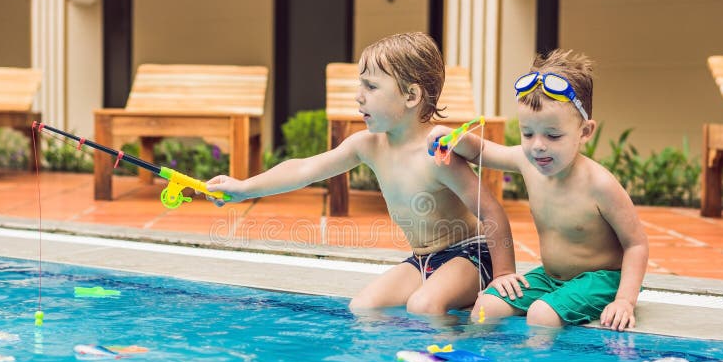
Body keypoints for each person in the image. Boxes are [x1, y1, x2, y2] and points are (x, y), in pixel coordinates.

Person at [206, 32, 517, 315]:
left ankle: (450, 354)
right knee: (364, 308)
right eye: (360, 84)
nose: (358, 95)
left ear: (411, 96)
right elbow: (305, 168)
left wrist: (503, 274)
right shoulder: (368, 145)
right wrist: (244, 188)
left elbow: (490, 209)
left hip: (471, 256)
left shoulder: (436, 155)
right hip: (422, 260)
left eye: (370, 86)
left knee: (423, 305)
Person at [427, 49, 648, 331]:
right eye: (528, 133)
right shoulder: (527, 161)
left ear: (585, 131)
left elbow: (636, 244)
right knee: (487, 307)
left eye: (553, 135)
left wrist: (624, 301)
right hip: (551, 277)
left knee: (541, 315)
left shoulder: (599, 185)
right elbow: (481, 149)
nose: (538, 145)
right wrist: (451, 137)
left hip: (601, 279)